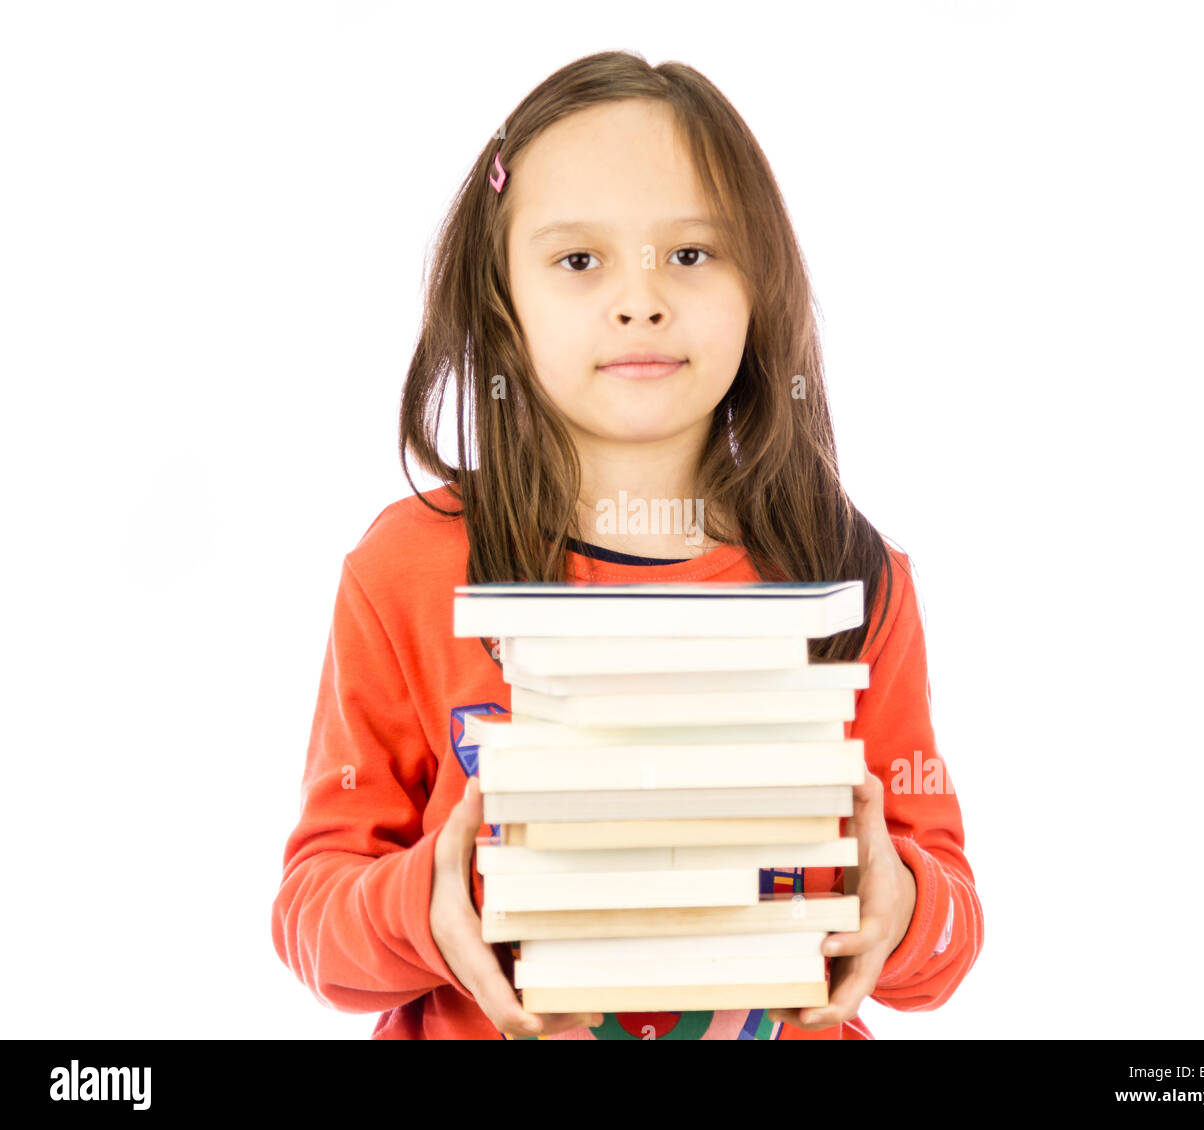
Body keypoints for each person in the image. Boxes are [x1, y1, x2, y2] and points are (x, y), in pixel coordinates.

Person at [271, 49, 983, 1041]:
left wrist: (904, 901)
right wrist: (419, 904)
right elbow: (313, 916)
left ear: (757, 282)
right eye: (578, 260)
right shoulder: (405, 570)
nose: (639, 300)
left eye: (690, 253)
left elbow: (941, 928)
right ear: (501, 298)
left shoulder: (849, 574)